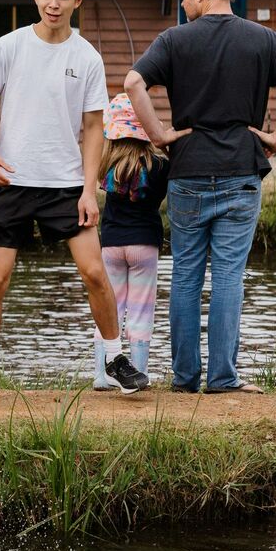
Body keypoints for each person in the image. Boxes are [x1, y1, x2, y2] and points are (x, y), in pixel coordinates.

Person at [0, 0, 151, 404]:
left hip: (66, 186)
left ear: (77, 0)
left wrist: (89, 189)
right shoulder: (8, 47)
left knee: (94, 273)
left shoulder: (87, 57)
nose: (53, 3)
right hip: (13, 182)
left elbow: (92, 129)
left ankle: (115, 359)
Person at [124, 0, 276, 393]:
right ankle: (222, 379)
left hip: (188, 171)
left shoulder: (174, 40)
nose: (181, 2)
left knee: (187, 276)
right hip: (241, 172)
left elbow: (133, 81)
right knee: (229, 277)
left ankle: (184, 378)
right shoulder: (263, 39)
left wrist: (159, 135)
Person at [93, 93, 171, 390]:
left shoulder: (106, 166)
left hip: (111, 245)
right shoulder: (159, 166)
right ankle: (135, 374)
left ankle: (102, 376)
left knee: (109, 309)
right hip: (144, 246)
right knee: (140, 312)